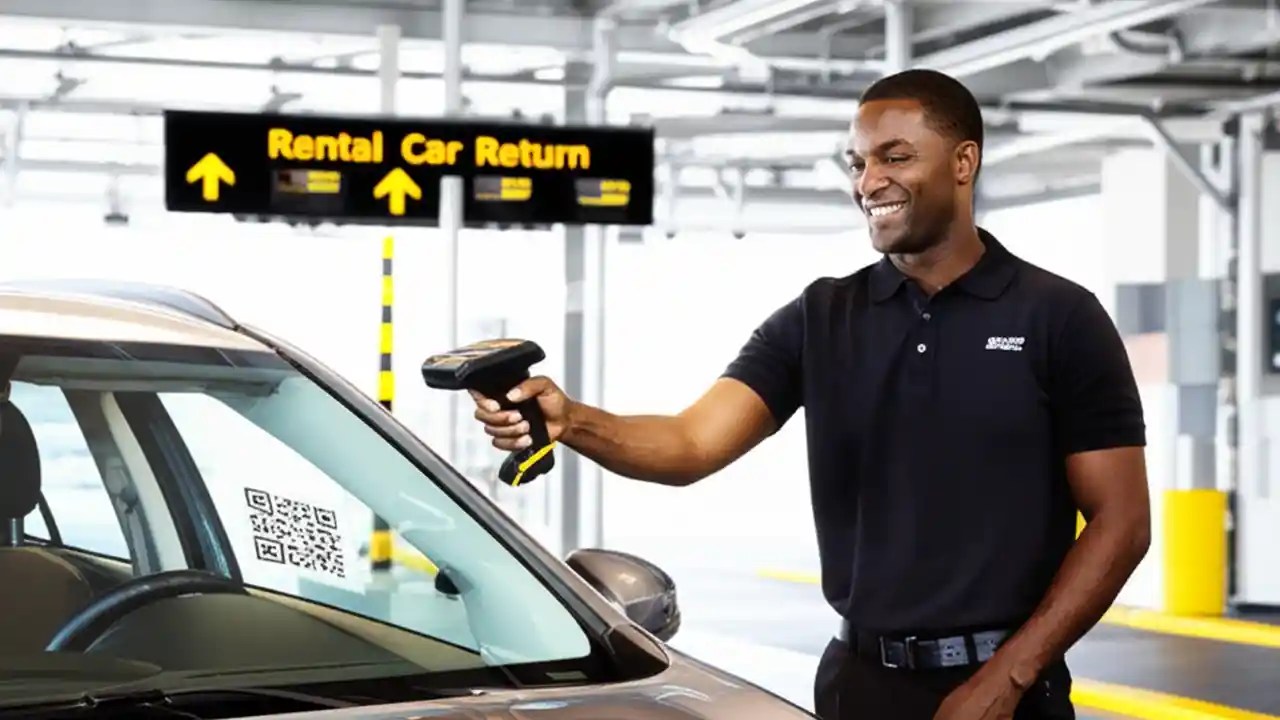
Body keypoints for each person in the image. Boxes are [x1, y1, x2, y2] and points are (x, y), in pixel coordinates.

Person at [469, 68, 1150, 720]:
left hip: (1005, 689)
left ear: (964, 162)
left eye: (895, 157)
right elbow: (691, 443)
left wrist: (1010, 678)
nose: (869, 182)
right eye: (857, 163)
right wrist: (572, 420)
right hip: (857, 685)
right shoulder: (822, 316)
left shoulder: (1058, 317)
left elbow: (1121, 523)